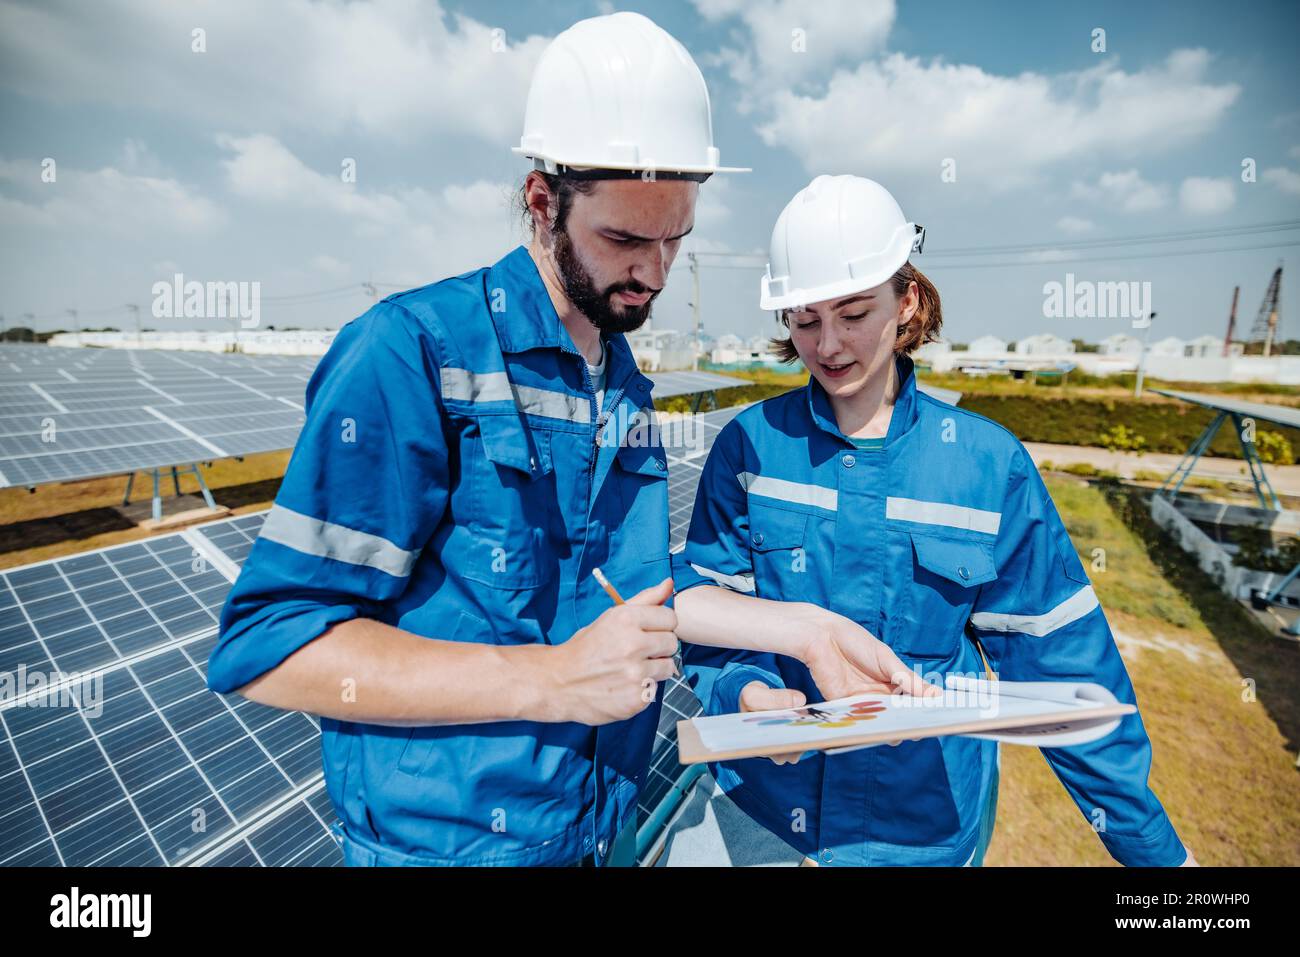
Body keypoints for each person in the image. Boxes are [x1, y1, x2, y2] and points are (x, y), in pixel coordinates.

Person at [204, 11, 746, 867]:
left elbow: (618, 608)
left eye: (676, 237)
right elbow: (269, 645)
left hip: (603, 832)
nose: (654, 271)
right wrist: (551, 678)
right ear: (542, 201)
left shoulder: (624, 380)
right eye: (624, 238)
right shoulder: (412, 350)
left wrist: (786, 641)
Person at [672, 174, 1197, 867]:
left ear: (907, 299)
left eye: (853, 313)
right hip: (765, 812)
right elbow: (707, 608)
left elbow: (1060, 660)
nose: (828, 345)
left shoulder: (987, 466)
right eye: (804, 319)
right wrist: (747, 693)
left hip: (919, 830)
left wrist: (1159, 858)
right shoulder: (751, 448)